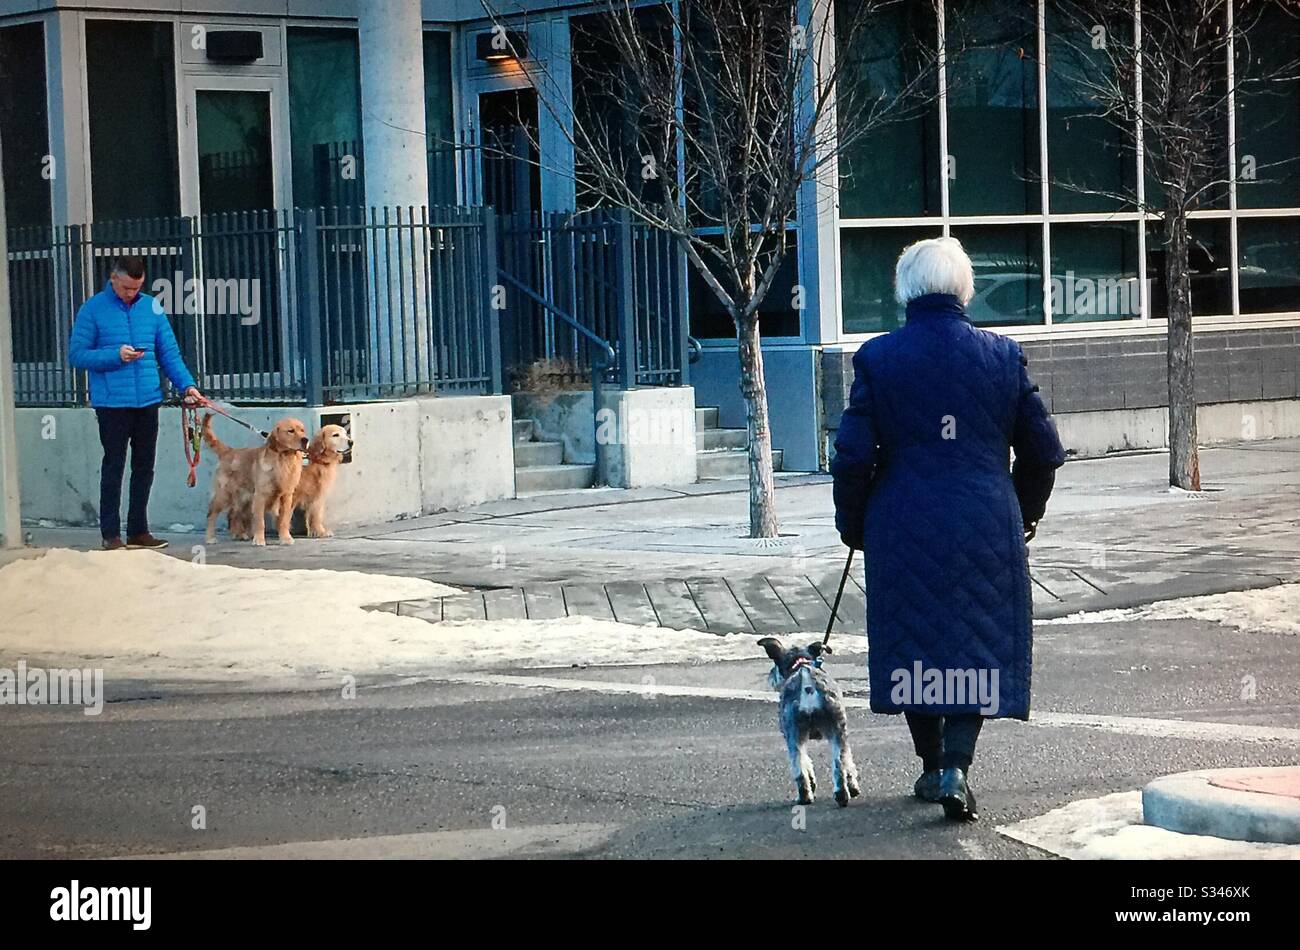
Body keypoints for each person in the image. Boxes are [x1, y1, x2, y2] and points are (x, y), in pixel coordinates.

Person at [831, 237, 1066, 822]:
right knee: (976, 640)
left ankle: (934, 764)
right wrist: (1023, 512)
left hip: (902, 521)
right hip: (985, 518)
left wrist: (854, 524)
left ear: (904, 289)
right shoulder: (1003, 356)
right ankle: (957, 767)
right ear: (965, 287)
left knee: (918, 639)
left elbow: (852, 457)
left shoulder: (878, 358)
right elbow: (1043, 451)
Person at [68, 256, 204, 550]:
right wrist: (115, 355)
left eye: (138, 287)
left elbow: (168, 352)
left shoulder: (151, 307)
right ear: (113, 278)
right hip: (112, 403)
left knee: (144, 466)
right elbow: (77, 355)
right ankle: (110, 534)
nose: (132, 293)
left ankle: (139, 530)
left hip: (148, 400)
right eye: (128, 287)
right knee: (114, 465)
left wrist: (188, 386)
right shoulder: (92, 309)